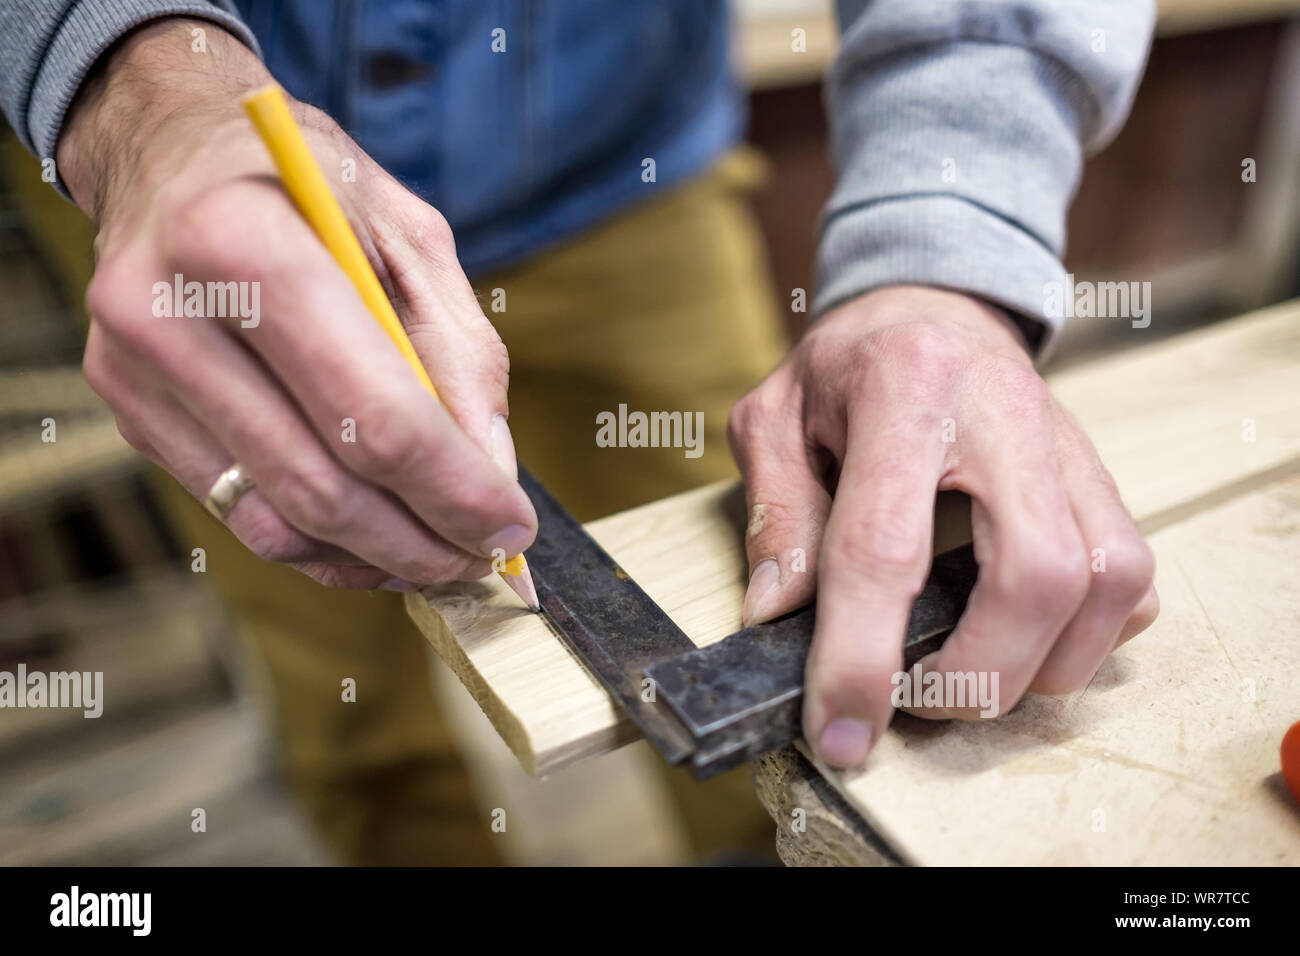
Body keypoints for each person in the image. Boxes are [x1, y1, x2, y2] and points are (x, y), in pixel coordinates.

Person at [0, 0, 1160, 863]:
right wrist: (133, 82)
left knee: (777, 594)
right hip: (207, 207)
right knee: (347, 694)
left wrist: (943, 247)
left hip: (623, 167)